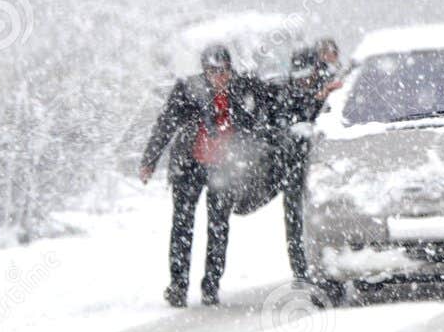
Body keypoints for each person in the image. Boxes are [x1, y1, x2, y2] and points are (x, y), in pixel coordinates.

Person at [139, 45, 264, 307]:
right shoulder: (188, 89)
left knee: (219, 226)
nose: (219, 76)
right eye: (212, 71)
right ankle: (178, 286)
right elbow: (166, 124)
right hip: (189, 165)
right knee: (182, 226)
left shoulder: (242, 89)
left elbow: (257, 120)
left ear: (231, 70)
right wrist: (150, 159)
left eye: (224, 71)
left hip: (224, 167)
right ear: (204, 71)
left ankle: (211, 285)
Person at [276, 40, 343, 282]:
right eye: (299, 76)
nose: (303, 81)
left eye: (307, 75)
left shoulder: (333, 87)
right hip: (293, 164)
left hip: (325, 166)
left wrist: (320, 101)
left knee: (331, 213)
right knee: (294, 216)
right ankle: (300, 268)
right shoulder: (286, 90)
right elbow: (279, 121)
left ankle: (332, 262)